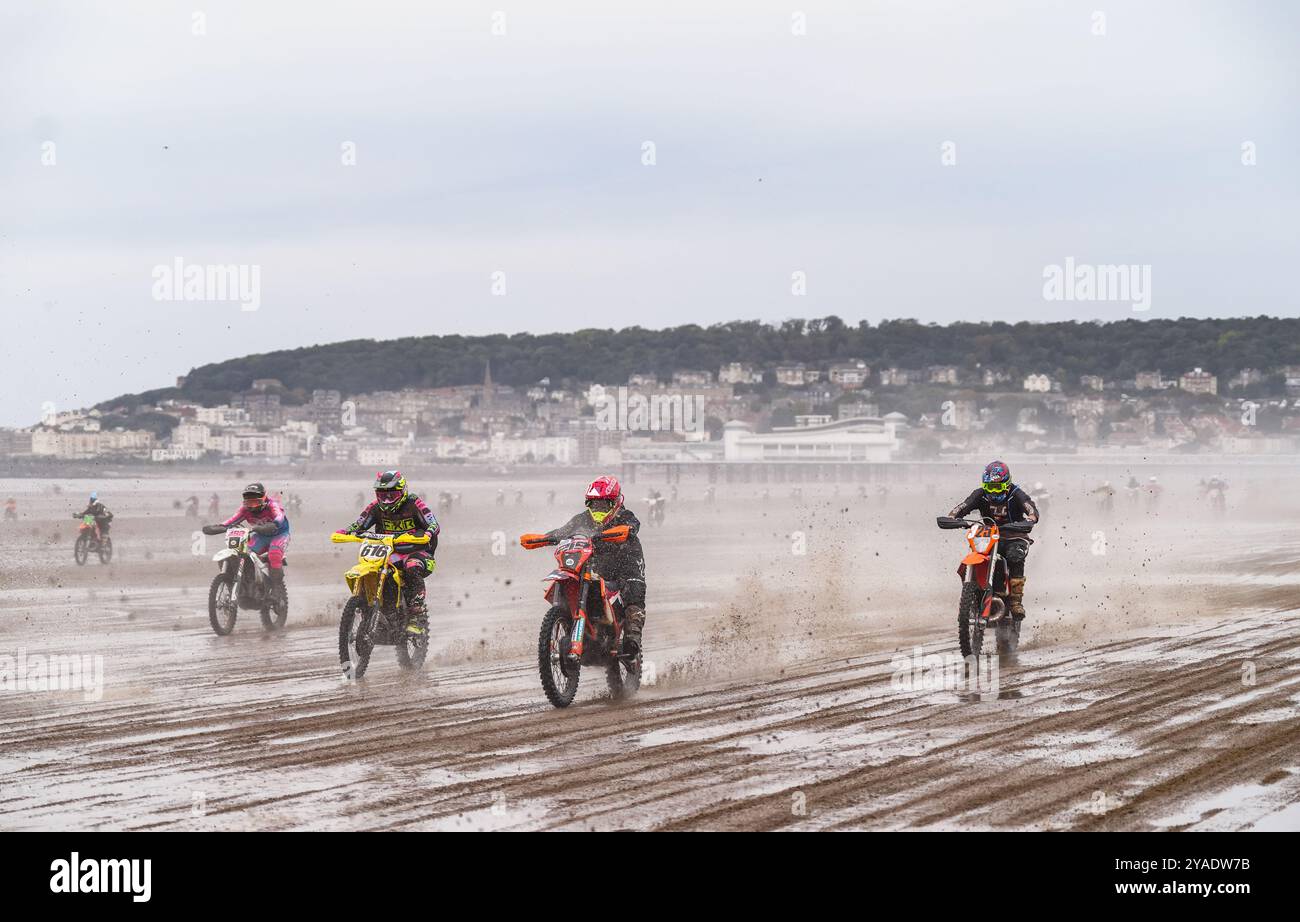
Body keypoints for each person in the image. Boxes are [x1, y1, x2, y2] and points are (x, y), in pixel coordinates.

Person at [542, 475, 647, 655]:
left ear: (615, 503)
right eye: (594, 504)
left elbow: (634, 525)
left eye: (603, 504)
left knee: (633, 589)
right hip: (596, 565)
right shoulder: (582, 519)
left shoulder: (625, 516)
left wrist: (627, 530)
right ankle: (569, 621)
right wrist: (545, 538)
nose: (598, 509)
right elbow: (563, 531)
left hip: (625, 560)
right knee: (572, 576)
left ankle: (632, 638)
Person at [336, 471, 439, 636]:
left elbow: (433, 523)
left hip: (418, 553)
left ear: (402, 491)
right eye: (382, 495)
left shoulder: (414, 503)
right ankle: (372, 611)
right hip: (389, 552)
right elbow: (359, 524)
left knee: (411, 568)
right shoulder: (375, 508)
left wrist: (428, 533)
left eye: (392, 495)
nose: (386, 500)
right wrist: (345, 531)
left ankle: (416, 617)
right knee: (375, 570)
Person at [945, 461, 1039, 621]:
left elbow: (1031, 509)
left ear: (1007, 484)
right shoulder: (979, 494)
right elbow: (963, 506)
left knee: (1015, 555)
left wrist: (1030, 519)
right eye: (990, 487)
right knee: (976, 554)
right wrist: (952, 518)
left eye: (997, 487)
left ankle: (1016, 602)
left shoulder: (1016, 493)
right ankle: (974, 593)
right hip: (987, 534)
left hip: (1014, 535)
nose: (993, 492)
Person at [213, 483, 290, 594]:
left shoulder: (272, 505)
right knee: (244, 552)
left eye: (255, 500)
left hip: (279, 534)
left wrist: (275, 523)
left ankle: (277, 588)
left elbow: (279, 516)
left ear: (263, 497)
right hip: (260, 535)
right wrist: (218, 527)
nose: (252, 504)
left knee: (274, 554)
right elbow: (232, 520)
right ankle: (245, 581)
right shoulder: (244, 509)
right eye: (249, 500)